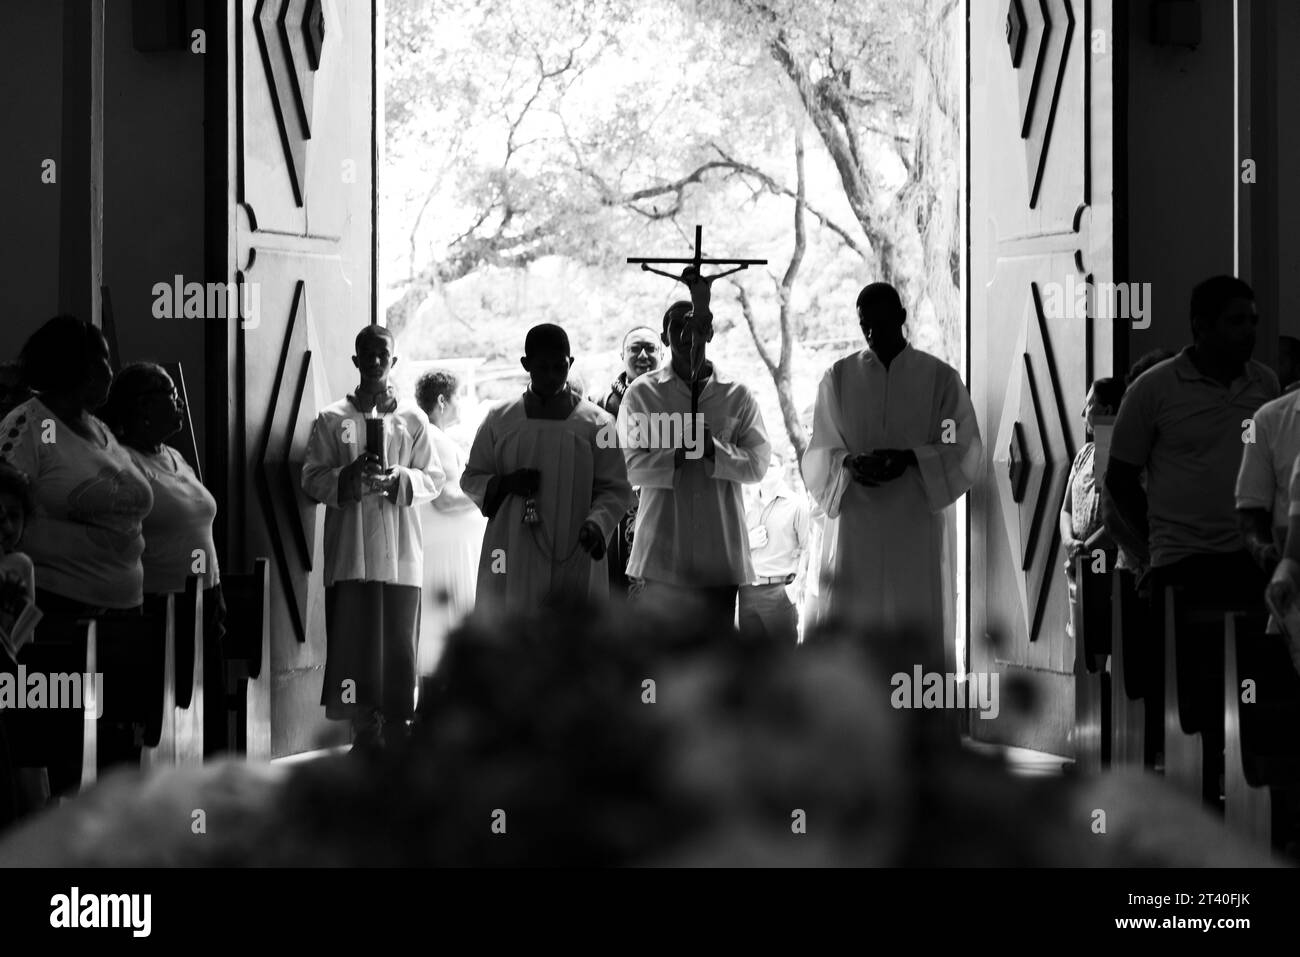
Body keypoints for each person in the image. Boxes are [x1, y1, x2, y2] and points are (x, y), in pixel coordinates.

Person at [1102, 276, 1278, 804]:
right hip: (1185, 563)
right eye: (1235, 321)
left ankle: (1252, 788)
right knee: (1193, 690)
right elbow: (1119, 478)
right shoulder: (1153, 389)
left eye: (1252, 320)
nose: (1248, 331)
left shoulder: (1264, 384)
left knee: (1256, 683)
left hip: (1251, 560)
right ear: (1201, 327)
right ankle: (1192, 792)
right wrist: (1153, 544)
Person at [802, 283, 982, 668]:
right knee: (857, 623)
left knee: (914, 616)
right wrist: (848, 463)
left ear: (901, 317)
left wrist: (912, 458)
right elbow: (822, 448)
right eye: (864, 324)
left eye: (881, 322)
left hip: (914, 519)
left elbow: (960, 444)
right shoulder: (838, 378)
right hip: (857, 524)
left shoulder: (939, 380)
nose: (871, 332)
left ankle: (917, 722)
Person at [301, 325, 446, 751]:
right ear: (356, 360)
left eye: (383, 353)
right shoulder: (332, 419)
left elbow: (433, 478)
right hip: (352, 553)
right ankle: (363, 734)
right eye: (366, 352)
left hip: (400, 553)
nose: (375, 360)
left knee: (398, 648)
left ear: (393, 360)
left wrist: (398, 479)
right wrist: (346, 478)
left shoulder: (412, 420)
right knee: (356, 647)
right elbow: (311, 478)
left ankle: (399, 732)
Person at [618, 301, 770, 633]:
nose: (688, 335)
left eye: (697, 327)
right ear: (665, 336)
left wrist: (713, 451)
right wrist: (675, 454)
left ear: (710, 332)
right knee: (662, 653)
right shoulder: (642, 395)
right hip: (661, 550)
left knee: (715, 658)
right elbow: (627, 466)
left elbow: (758, 465)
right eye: (678, 327)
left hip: (720, 551)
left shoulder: (737, 395)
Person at [99, 363, 230, 750]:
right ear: (141, 406)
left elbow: (199, 528)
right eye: (169, 395)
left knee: (210, 714)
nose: (180, 403)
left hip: (203, 600)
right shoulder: (123, 461)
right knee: (169, 721)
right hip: (162, 607)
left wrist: (215, 588)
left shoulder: (174, 456)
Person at [462, 323, 633, 612]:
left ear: (571, 363)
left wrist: (598, 523)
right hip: (512, 546)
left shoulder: (600, 424)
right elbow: (472, 478)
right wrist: (505, 483)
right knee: (513, 625)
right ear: (526, 364)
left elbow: (615, 489)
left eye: (560, 366)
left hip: (576, 546)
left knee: (571, 637)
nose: (552, 375)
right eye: (542, 367)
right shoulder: (498, 419)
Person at [0, 317, 153, 621]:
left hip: (126, 606)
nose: (112, 372)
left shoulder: (99, 428)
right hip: (61, 610)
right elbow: (5, 508)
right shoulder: (28, 427)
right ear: (75, 368)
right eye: (103, 361)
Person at [413, 369, 485, 679]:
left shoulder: (430, 436)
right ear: (443, 400)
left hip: (443, 544)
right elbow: (444, 498)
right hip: (446, 549)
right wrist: (486, 495)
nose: (460, 404)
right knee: (445, 620)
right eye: (457, 397)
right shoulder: (435, 438)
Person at [596, 325, 661, 598]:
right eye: (635, 348)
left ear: (662, 353)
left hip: (663, 512)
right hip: (616, 514)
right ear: (621, 354)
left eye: (651, 348)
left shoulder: (676, 400)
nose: (643, 355)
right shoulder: (599, 405)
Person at [1060, 378, 1123, 640]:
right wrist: (1070, 541)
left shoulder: (1112, 450)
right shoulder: (1085, 453)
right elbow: (1066, 510)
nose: (1083, 413)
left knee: (1099, 639)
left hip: (1102, 560)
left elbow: (1115, 516)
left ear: (1107, 411)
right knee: (1084, 641)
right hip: (1080, 559)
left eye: (1090, 405)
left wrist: (1087, 548)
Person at [739, 450, 809, 643]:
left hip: (779, 592)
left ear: (783, 469)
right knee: (750, 663)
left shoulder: (797, 505)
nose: (766, 469)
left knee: (783, 664)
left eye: (771, 465)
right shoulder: (745, 505)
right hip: (747, 592)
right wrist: (747, 543)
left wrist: (795, 587)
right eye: (762, 464)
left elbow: (807, 548)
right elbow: (732, 549)